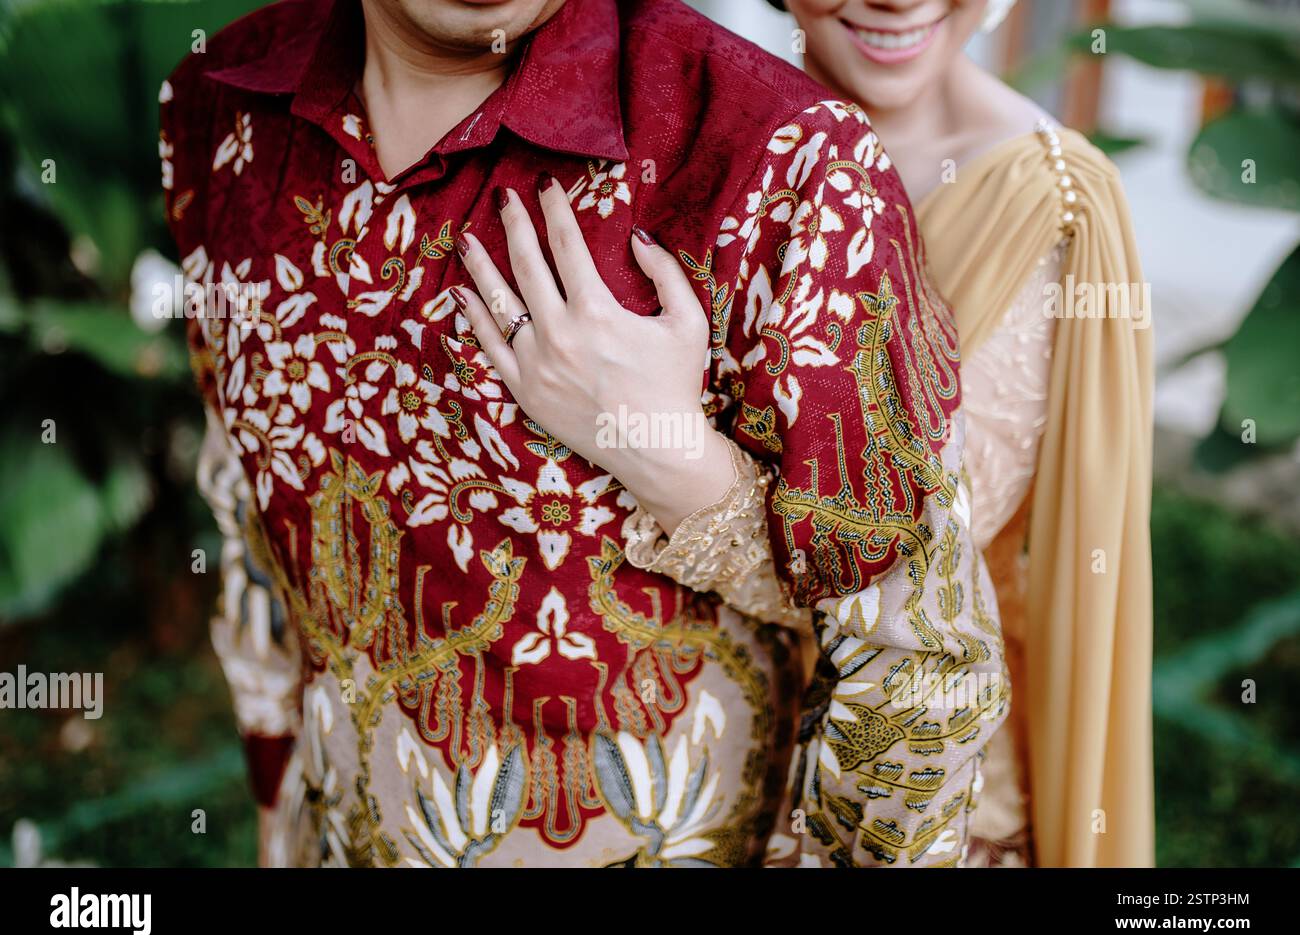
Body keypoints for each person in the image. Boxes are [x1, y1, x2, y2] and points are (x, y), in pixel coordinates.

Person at [162, 0, 1007, 867]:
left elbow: (921, 659)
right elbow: (250, 505)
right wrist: (277, 802)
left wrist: (670, 457)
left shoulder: (780, 160)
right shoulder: (221, 105)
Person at [732, 0, 1152, 867]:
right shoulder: (701, 134)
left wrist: (662, 476)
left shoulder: (1050, 203)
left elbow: (916, 557)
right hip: (673, 744)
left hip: (919, 770)